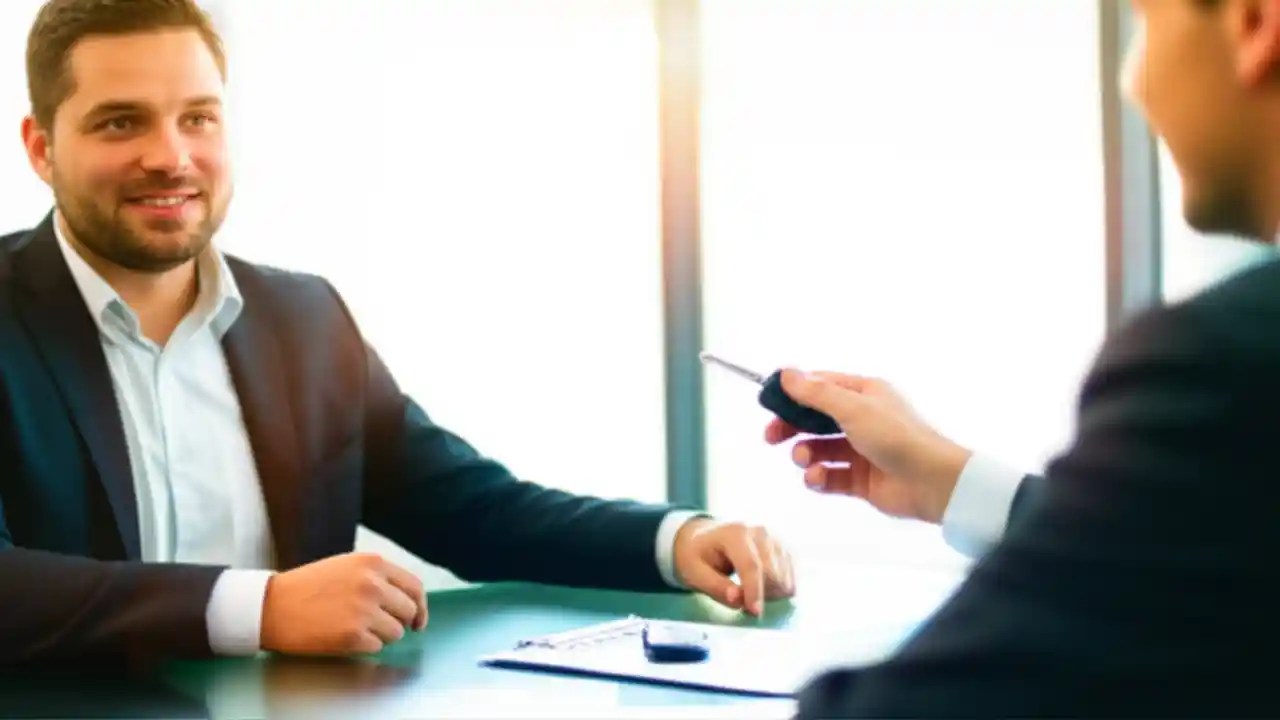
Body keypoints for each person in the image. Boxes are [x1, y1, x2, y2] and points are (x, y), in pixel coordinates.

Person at [0, 0, 795, 666]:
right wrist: (262, 607)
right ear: (42, 147)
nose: (170, 156)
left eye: (197, 118)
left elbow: (474, 510)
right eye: (119, 123)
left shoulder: (302, 319)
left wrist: (674, 538)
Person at [765, 0, 1280, 715]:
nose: (1134, 83)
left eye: (1148, 23)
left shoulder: (1229, 369)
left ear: (1255, 24)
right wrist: (956, 482)